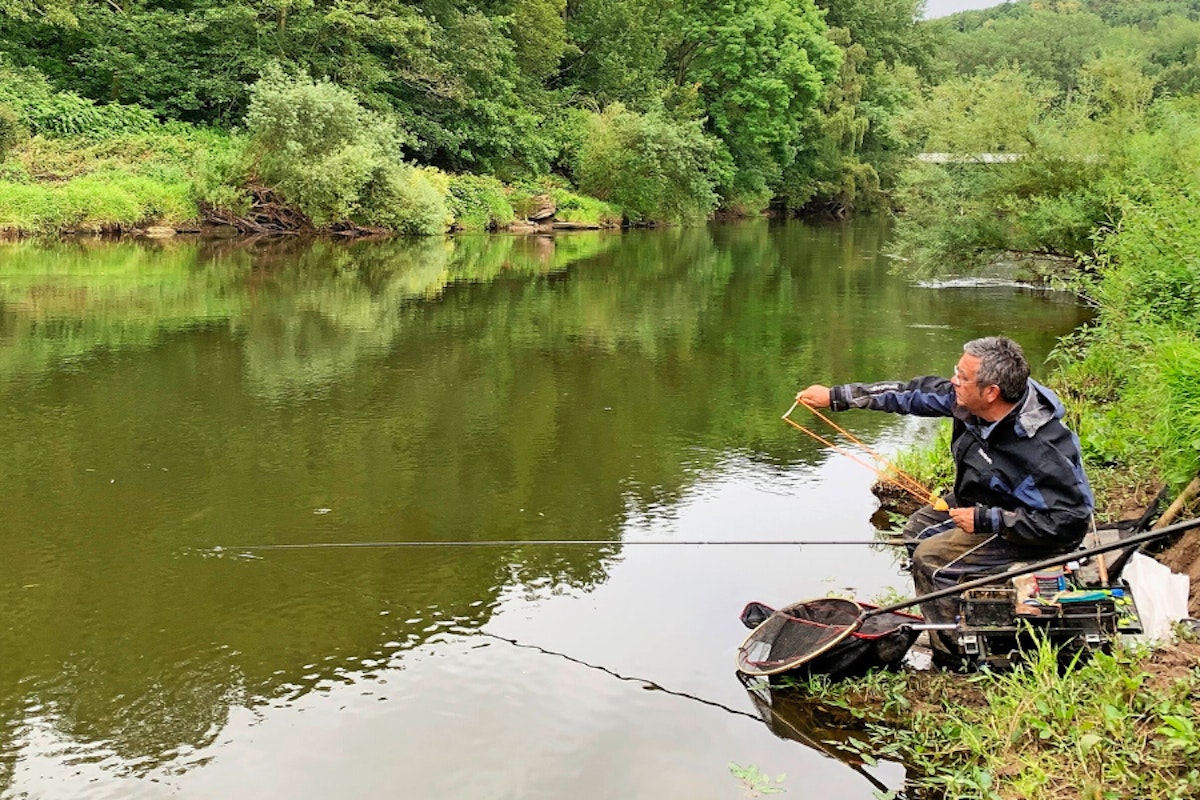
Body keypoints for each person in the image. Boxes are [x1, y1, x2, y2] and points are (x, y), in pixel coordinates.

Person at [796, 336, 1094, 662]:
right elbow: (910, 394)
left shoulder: (1044, 449)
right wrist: (836, 397)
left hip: (1033, 526)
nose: (954, 380)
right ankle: (970, 607)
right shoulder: (966, 401)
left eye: (963, 377)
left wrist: (986, 520)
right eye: (957, 371)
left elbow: (1070, 521)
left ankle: (954, 653)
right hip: (984, 498)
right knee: (916, 530)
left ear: (991, 391)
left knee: (931, 559)